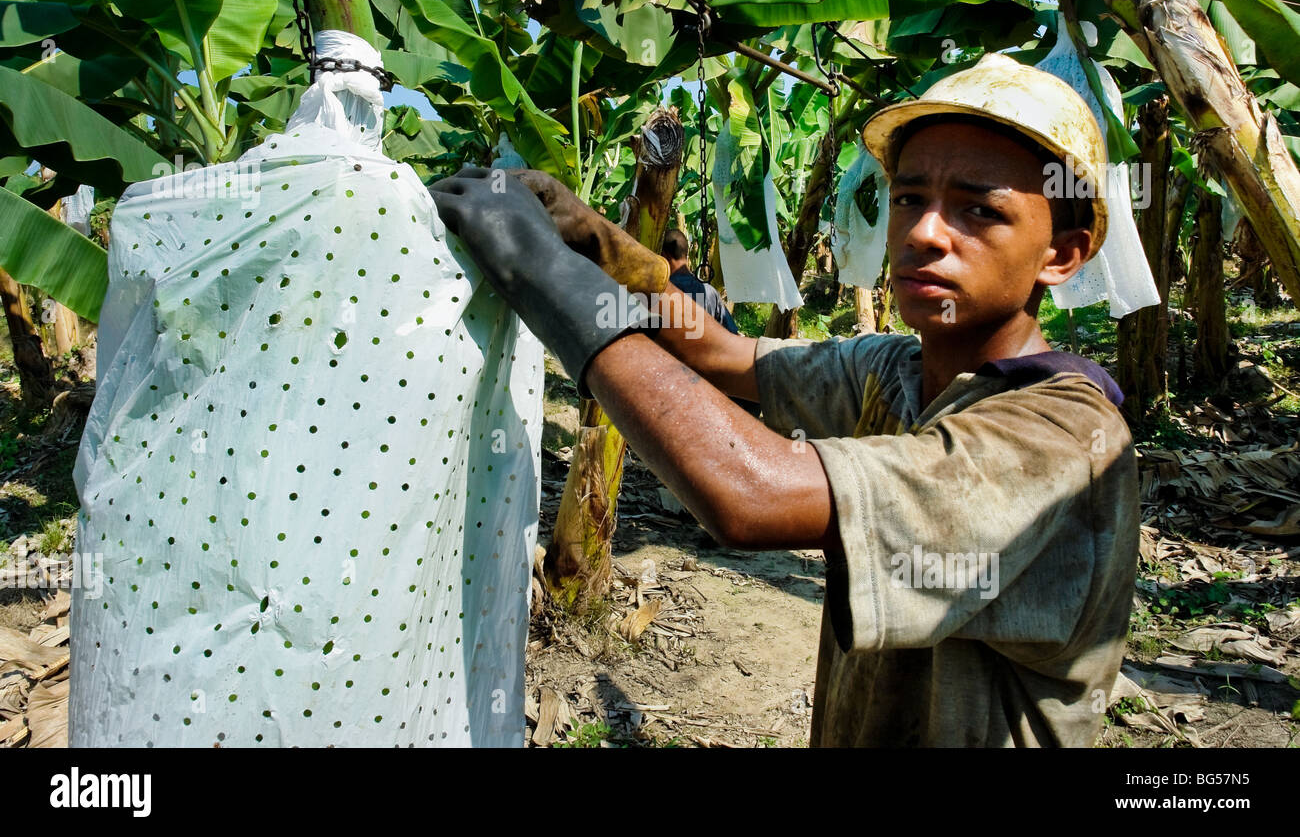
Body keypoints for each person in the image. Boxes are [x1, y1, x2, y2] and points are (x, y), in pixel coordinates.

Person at [428, 52, 1140, 747]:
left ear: (1062, 254)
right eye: (910, 199)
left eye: (980, 211)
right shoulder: (893, 369)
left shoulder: (1062, 438)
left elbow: (750, 496)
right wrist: (591, 240)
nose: (925, 232)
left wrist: (548, 279)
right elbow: (722, 352)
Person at [661, 228, 739, 334]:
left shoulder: (661, 291)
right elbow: (732, 333)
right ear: (685, 252)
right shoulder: (710, 293)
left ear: (664, 255)